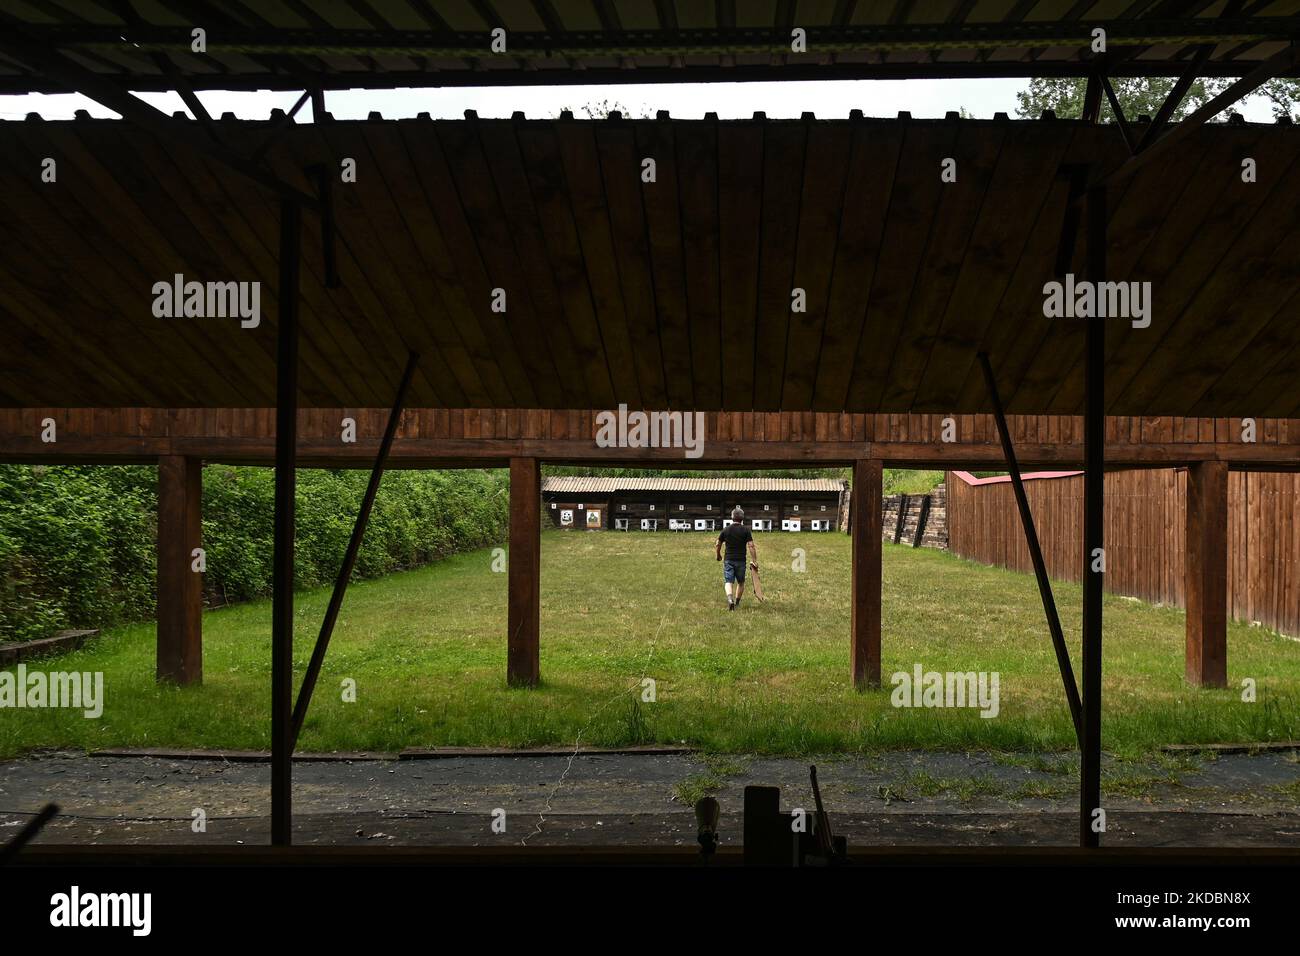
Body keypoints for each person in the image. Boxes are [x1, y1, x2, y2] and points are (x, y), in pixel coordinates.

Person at [715, 506, 758, 610]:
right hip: (741, 561)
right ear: (742, 518)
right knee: (741, 582)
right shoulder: (746, 530)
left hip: (729, 560)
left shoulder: (726, 530)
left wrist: (718, 555)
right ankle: (737, 602)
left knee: (728, 581)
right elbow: (751, 545)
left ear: (732, 517)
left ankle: (730, 600)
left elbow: (718, 543)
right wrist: (754, 560)